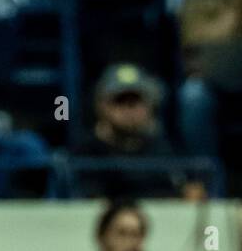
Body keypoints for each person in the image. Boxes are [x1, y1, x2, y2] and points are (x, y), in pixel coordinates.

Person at [73, 65, 200, 201]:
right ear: (101, 106)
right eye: (120, 101)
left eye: (136, 101)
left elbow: (194, 192)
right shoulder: (86, 154)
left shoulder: (169, 150)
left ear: (150, 105)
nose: (129, 109)